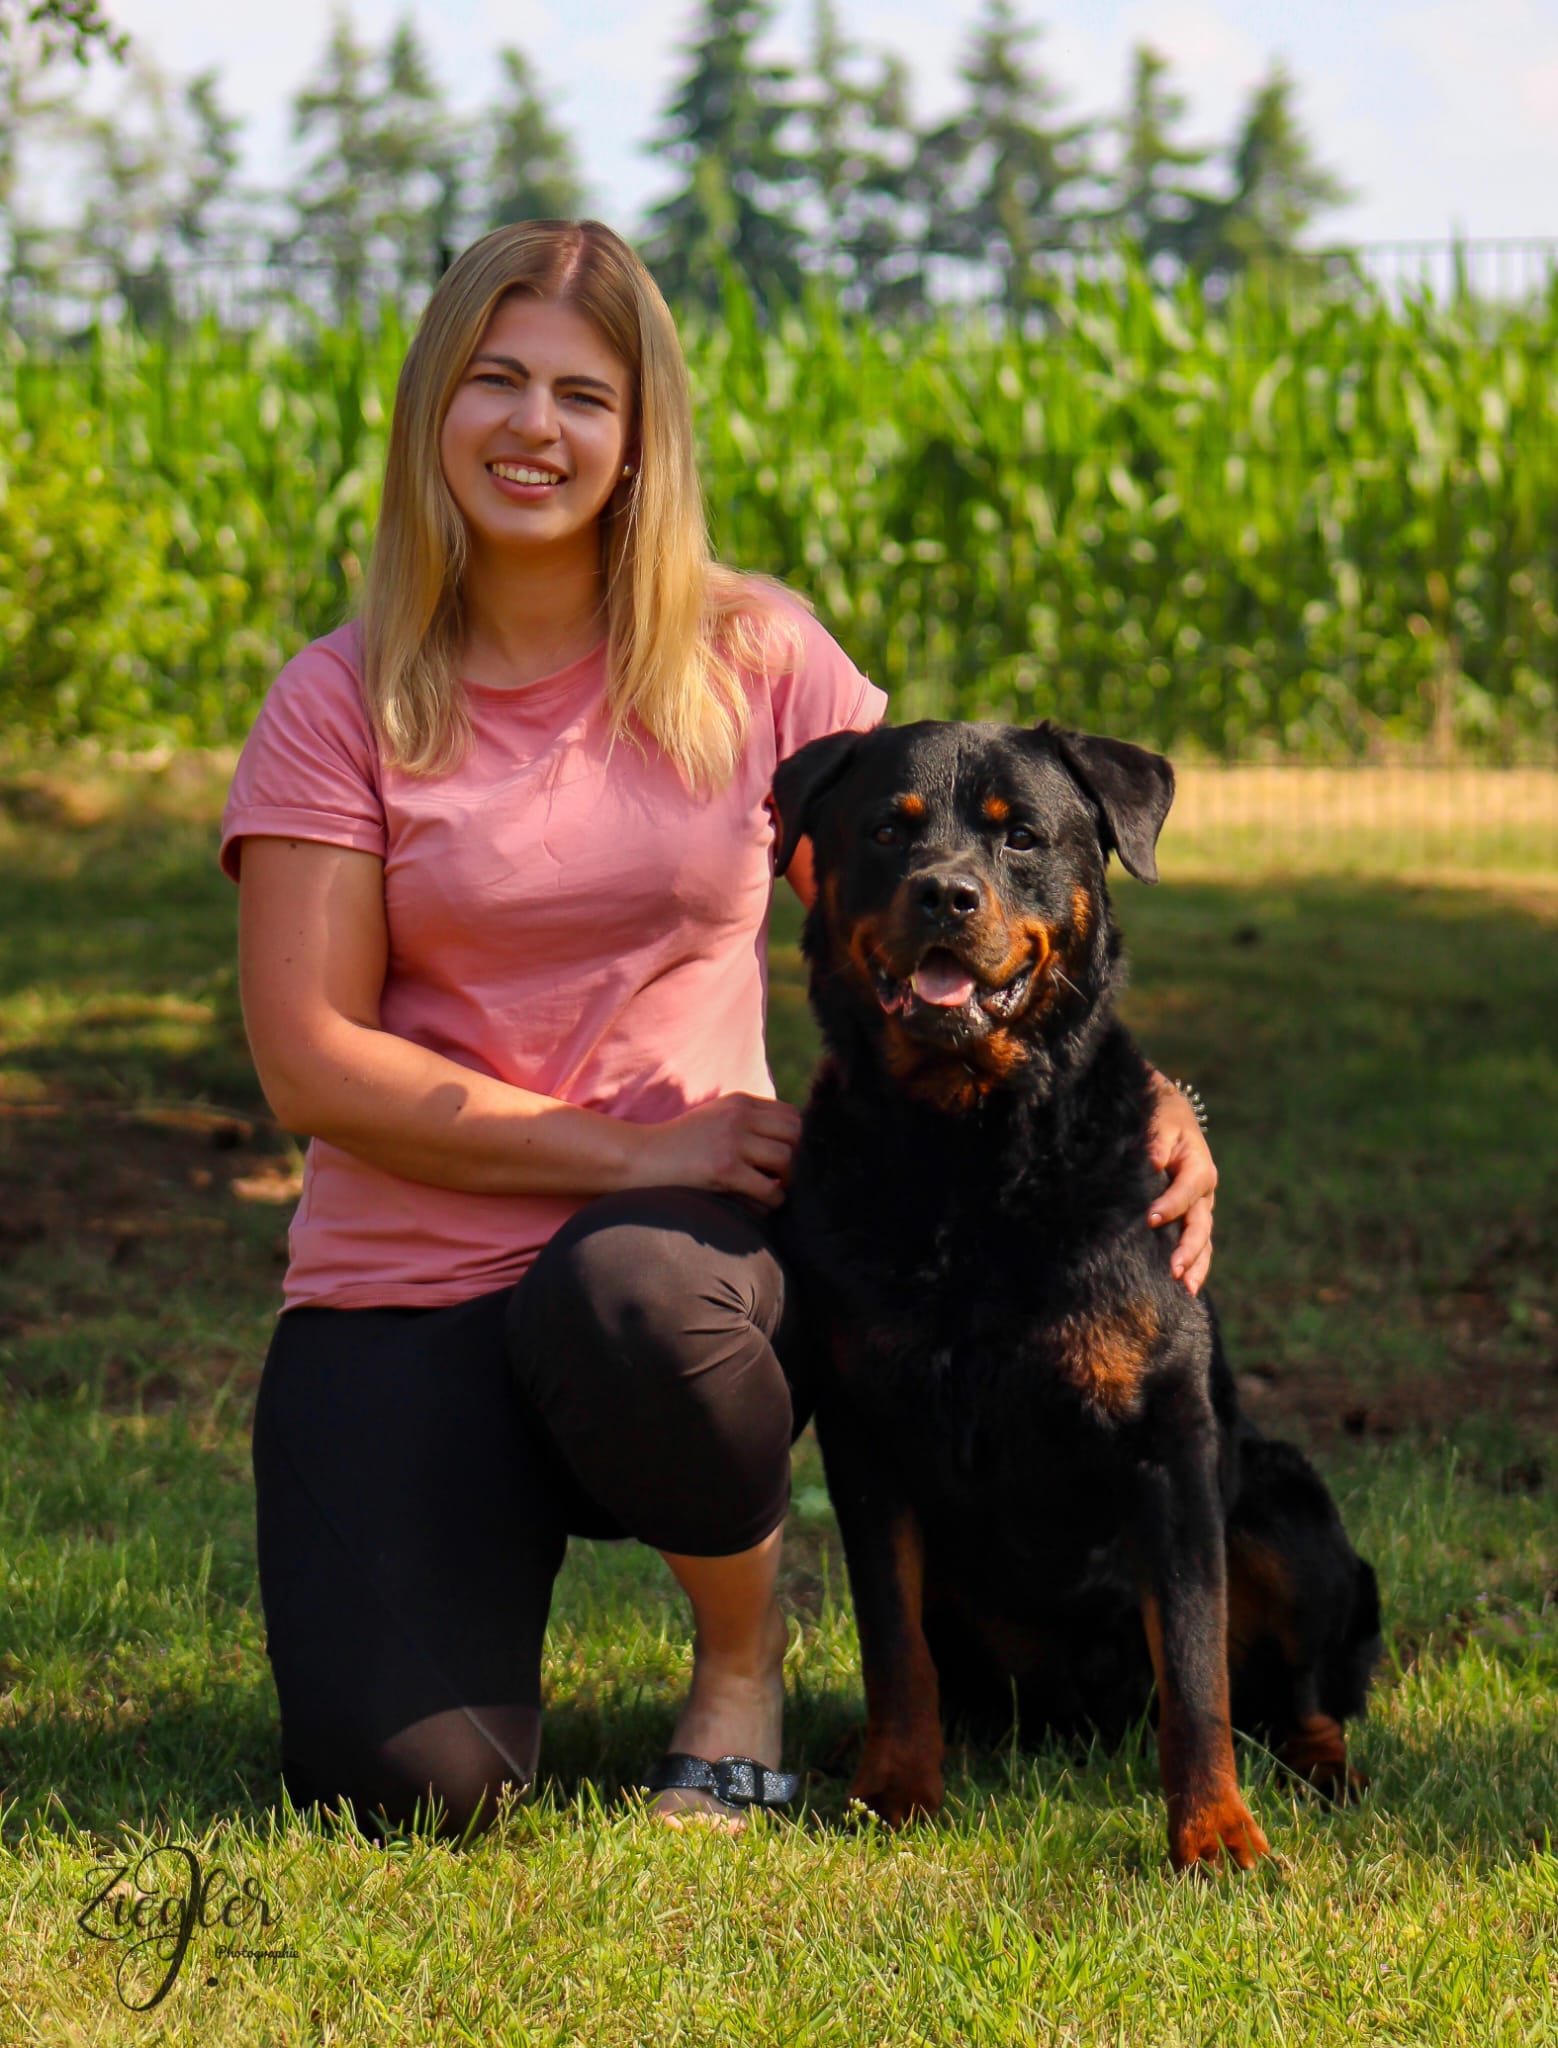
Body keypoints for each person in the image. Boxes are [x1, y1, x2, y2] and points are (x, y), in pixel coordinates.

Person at [221, 219, 1219, 1840]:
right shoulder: (337, 701)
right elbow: (307, 1061)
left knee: (632, 1291)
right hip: (400, 1288)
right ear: (429, 410)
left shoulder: (753, 653)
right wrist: (631, 1141)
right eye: (492, 382)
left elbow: (954, 867)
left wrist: (1148, 1099)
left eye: (581, 394)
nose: (534, 428)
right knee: (404, 1788)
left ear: (639, 436)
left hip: (670, 1271)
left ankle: (740, 1662)